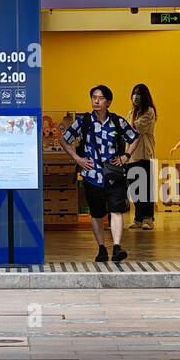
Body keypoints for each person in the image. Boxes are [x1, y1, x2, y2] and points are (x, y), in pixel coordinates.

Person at [59, 84, 139, 263]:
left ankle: (117, 247)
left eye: (100, 97)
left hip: (113, 174)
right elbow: (64, 139)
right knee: (96, 214)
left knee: (117, 210)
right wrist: (78, 159)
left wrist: (126, 156)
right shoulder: (84, 122)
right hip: (91, 175)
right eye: (94, 97)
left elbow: (135, 137)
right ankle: (102, 247)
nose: (96, 100)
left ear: (108, 102)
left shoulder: (117, 122)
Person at [127, 84, 158, 229]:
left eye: (138, 94)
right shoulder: (131, 112)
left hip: (144, 155)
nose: (135, 96)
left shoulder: (149, 112)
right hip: (131, 156)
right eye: (134, 93)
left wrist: (127, 126)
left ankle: (148, 219)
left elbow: (136, 128)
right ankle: (138, 218)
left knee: (145, 188)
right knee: (135, 189)